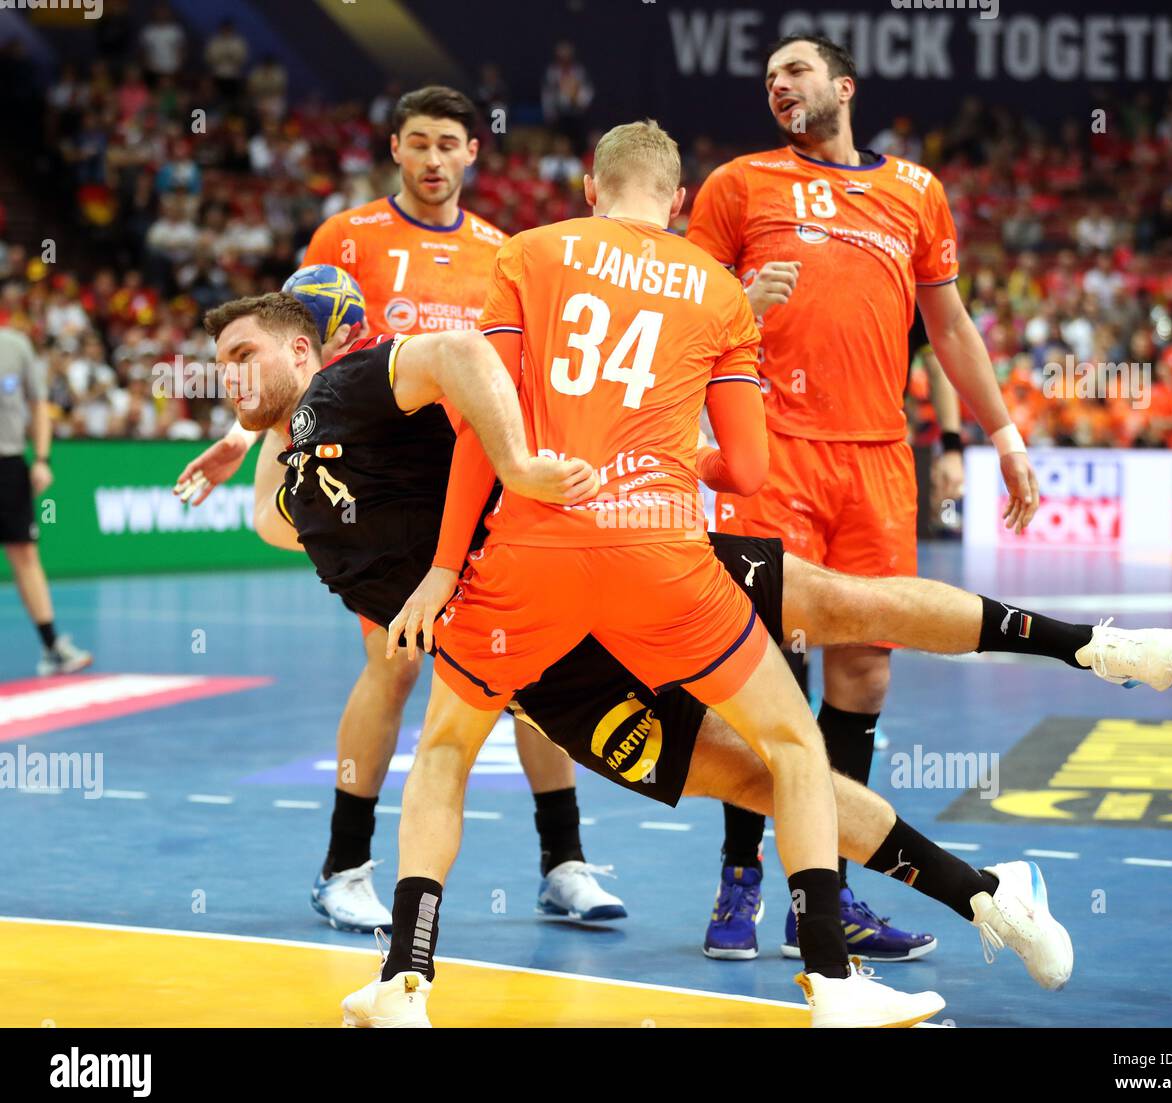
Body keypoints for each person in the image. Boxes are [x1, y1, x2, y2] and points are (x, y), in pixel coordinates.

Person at [337, 120, 1073, 1029]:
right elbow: (752, 470)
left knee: (445, 750)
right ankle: (832, 981)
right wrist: (681, 455)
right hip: (661, 558)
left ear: (587, 186)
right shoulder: (720, 289)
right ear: (679, 201)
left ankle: (407, 980)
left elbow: (486, 433)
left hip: (529, 559)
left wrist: (446, 570)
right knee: (794, 747)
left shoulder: (527, 252)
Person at [175, 85, 627, 932]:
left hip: (475, 480)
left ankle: (563, 863)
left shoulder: (503, 250)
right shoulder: (345, 237)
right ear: (395, 149)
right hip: (375, 492)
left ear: (471, 153)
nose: (432, 159)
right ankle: (345, 866)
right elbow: (278, 347)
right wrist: (241, 440)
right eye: (417, 142)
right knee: (395, 661)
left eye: (447, 143)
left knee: (532, 654)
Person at [685, 34, 1041, 962]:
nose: (778, 86)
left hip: (879, 460)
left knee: (864, 673)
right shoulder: (738, 184)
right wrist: (735, 297)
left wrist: (999, 437)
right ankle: (741, 880)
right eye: (768, 78)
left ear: (844, 86)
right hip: (774, 450)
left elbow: (950, 326)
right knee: (763, 677)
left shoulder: (916, 192)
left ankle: (827, 897)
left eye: (795, 71)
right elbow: (681, 306)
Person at [0, 326, 92, 677]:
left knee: (25, 553)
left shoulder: (15, 345)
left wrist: (41, 458)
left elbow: (38, 406)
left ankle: (52, 646)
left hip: (8, 462)